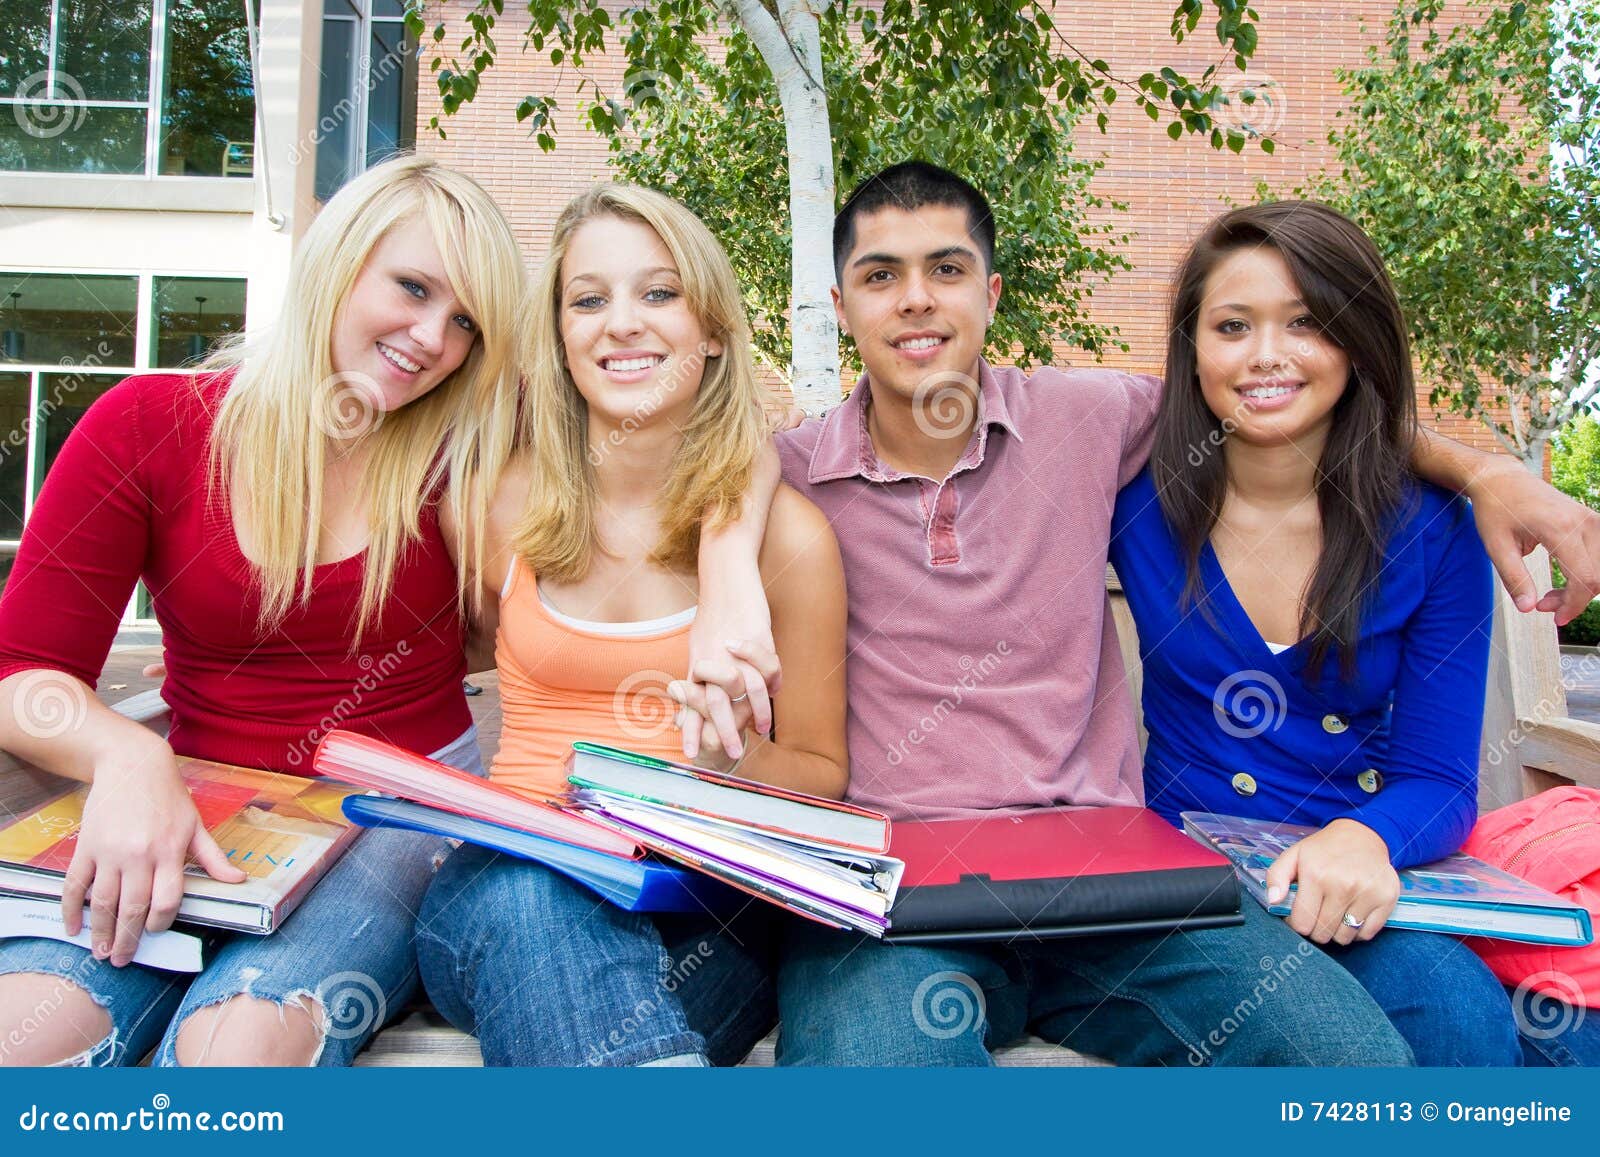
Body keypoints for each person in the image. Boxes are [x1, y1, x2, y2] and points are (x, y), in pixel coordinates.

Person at [677, 160, 1600, 1066]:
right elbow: (729, 464)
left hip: (1115, 887)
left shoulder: (1089, 420)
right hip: (889, 899)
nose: (916, 299)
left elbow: (1286, 399)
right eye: (882, 276)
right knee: (879, 1075)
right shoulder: (792, 471)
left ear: (991, 295)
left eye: (947, 269)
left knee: (1345, 1054)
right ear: (842, 309)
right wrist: (724, 568)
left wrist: (1486, 471)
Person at [0, 156, 775, 1067]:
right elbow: (23, 672)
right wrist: (124, 754)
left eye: (464, 323)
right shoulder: (149, 425)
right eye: (410, 288)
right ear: (340, 259)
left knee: (237, 1046)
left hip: (394, 821)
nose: (430, 339)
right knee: (33, 1033)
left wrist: (729, 571)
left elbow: (706, 424)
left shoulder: (477, 441)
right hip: (191, 803)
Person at [1110, 199, 1594, 1067]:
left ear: (1356, 340)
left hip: (1363, 873)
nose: (1266, 355)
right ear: (1193, 348)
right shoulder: (1131, 500)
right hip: (1193, 884)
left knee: (1460, 1018)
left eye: (1307, 323)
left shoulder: (1432, 529)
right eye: (1232, 325)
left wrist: (1367, 838)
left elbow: (1441, 779)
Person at [413, 183, 849, 1067]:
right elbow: (440, 659)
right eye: (589, 299)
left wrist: (734, 763)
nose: (622, 323)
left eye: (659, 293)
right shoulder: (500, 504)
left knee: (601, 986)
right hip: (508, 882)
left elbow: (823, 774)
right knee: (540, 906)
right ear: (561, 335)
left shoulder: (789, 540)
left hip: (697, 904)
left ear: (712, 329)